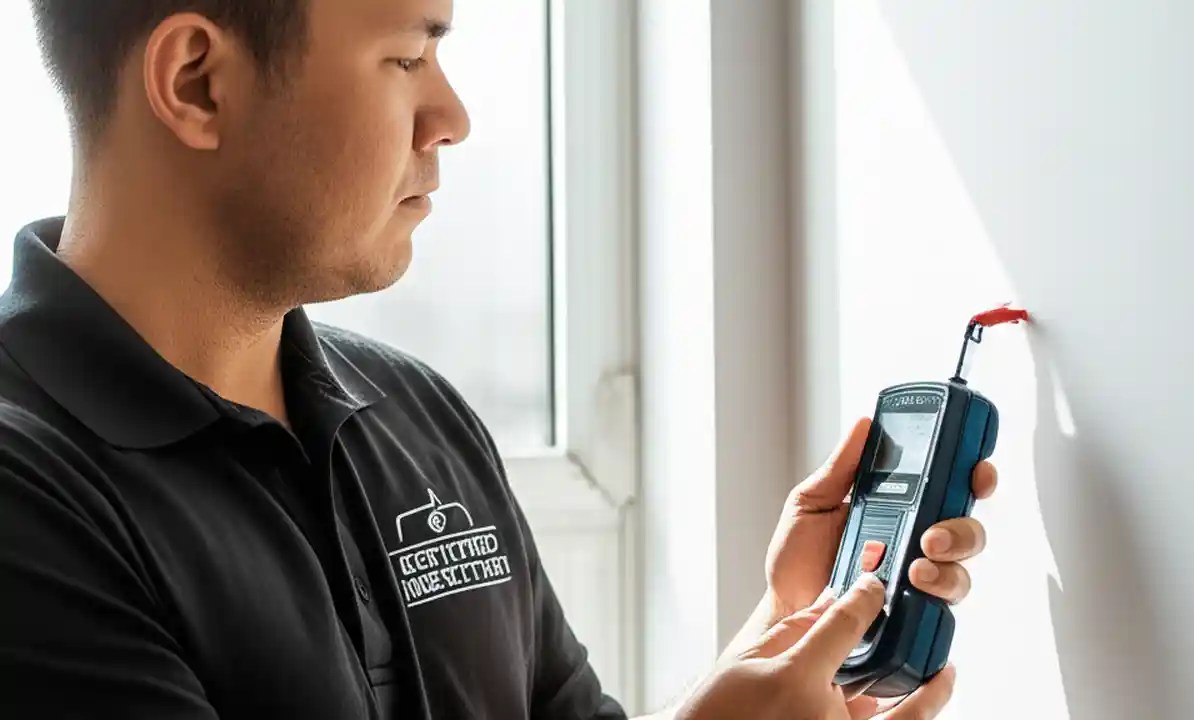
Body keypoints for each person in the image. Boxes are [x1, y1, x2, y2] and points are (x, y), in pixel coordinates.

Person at [0, 1, 997, 718]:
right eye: (404, 58)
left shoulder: (414, 414)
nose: (453, 118)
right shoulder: (23, 496)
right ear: (197, 81)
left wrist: (773, 654)